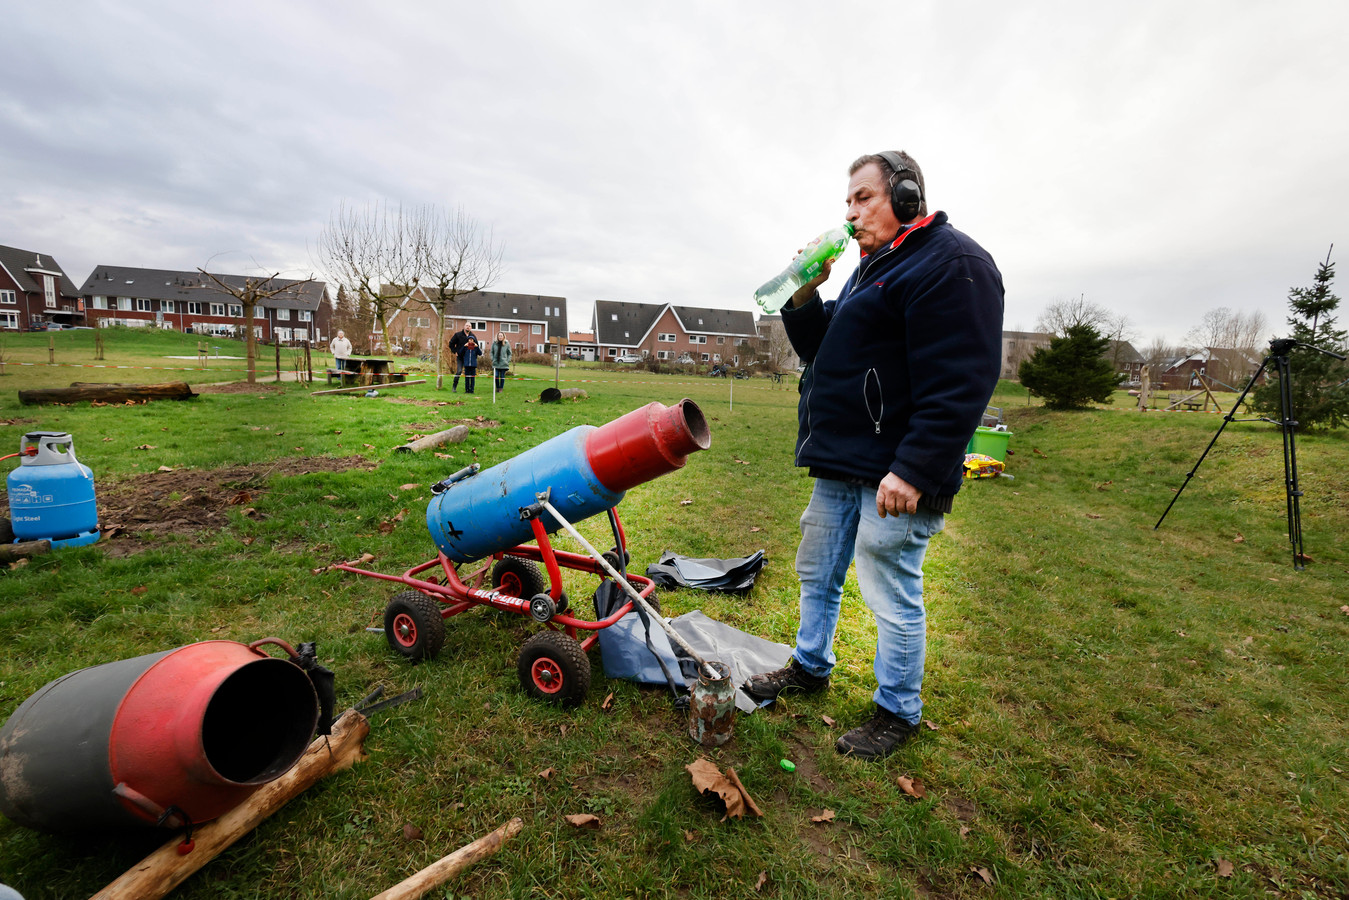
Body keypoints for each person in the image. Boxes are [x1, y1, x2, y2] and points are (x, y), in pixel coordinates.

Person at [742, 151, 1004, 760]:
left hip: (895, 467)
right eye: (848, 203)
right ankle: (810, 666)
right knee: (817, 569)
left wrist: (914, 468)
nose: (853, 213)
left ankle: (897, 711)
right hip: (842, 459)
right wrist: (805, 292)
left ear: (907, 195)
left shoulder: (951, 262)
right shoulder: (872, 268)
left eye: (864, 198)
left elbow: (962, 379)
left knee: (888, 585)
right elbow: (820, 347)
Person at [448, 323, 476, 391]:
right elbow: (451, 344)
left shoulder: (472, 336)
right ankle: (454, 387)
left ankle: (469, 389)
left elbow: (476, 345)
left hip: (468, 358)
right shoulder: (458, 335)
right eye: (467, 326)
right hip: (460, 356)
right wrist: (455, 351)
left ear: (471, 328)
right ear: (464, 326)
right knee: (459, 371)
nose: (468, 327)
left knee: (469, 374)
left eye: (469, 326)